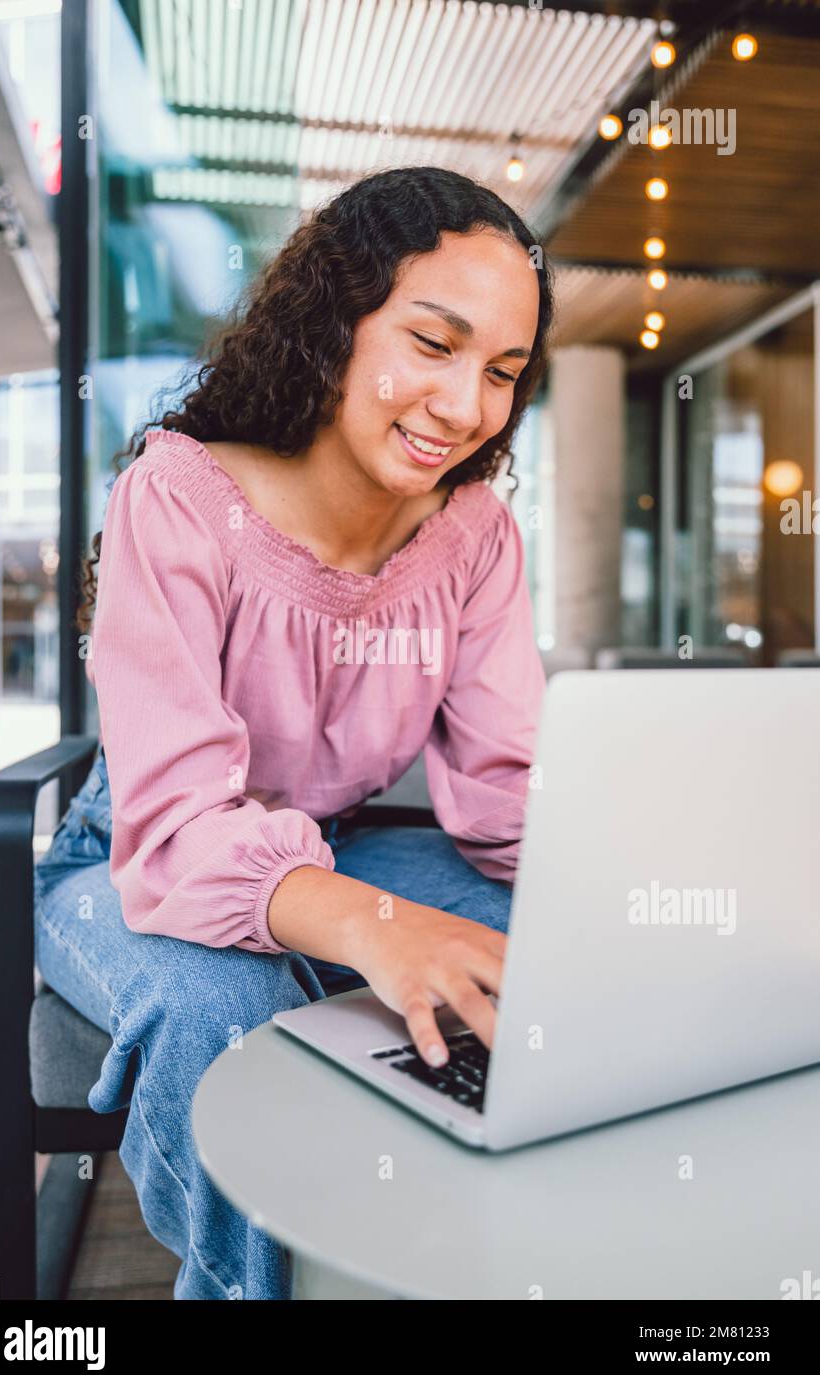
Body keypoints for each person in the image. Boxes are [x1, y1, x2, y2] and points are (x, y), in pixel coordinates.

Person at [35, 165, 553, 1299]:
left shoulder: (472, 536)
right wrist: (373, 923)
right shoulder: (177, 498)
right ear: (337, 320)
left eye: (501, 372)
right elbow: (171, 825)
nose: (465, 407)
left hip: (330, 840)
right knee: (221, 1004)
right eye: (432, 344)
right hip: (135, 854)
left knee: (561, 947)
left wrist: (638, 883)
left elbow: (506, 795)